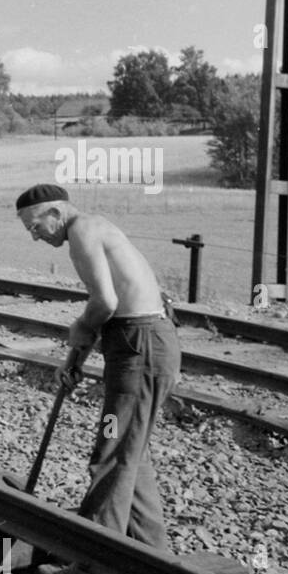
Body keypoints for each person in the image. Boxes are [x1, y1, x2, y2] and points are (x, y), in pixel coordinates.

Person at [15, 183, 180, 550]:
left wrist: (81, 328)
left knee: (111, 449)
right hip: (139, 344)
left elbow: (105, 301)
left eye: (35, 226)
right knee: (130, 454)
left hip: (140, 347)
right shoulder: (93, 227)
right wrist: (76, 359)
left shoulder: (82, 232)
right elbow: (108, 310)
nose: (34, 236)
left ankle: (94, 553)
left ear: (56, 214)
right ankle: (153, 554)